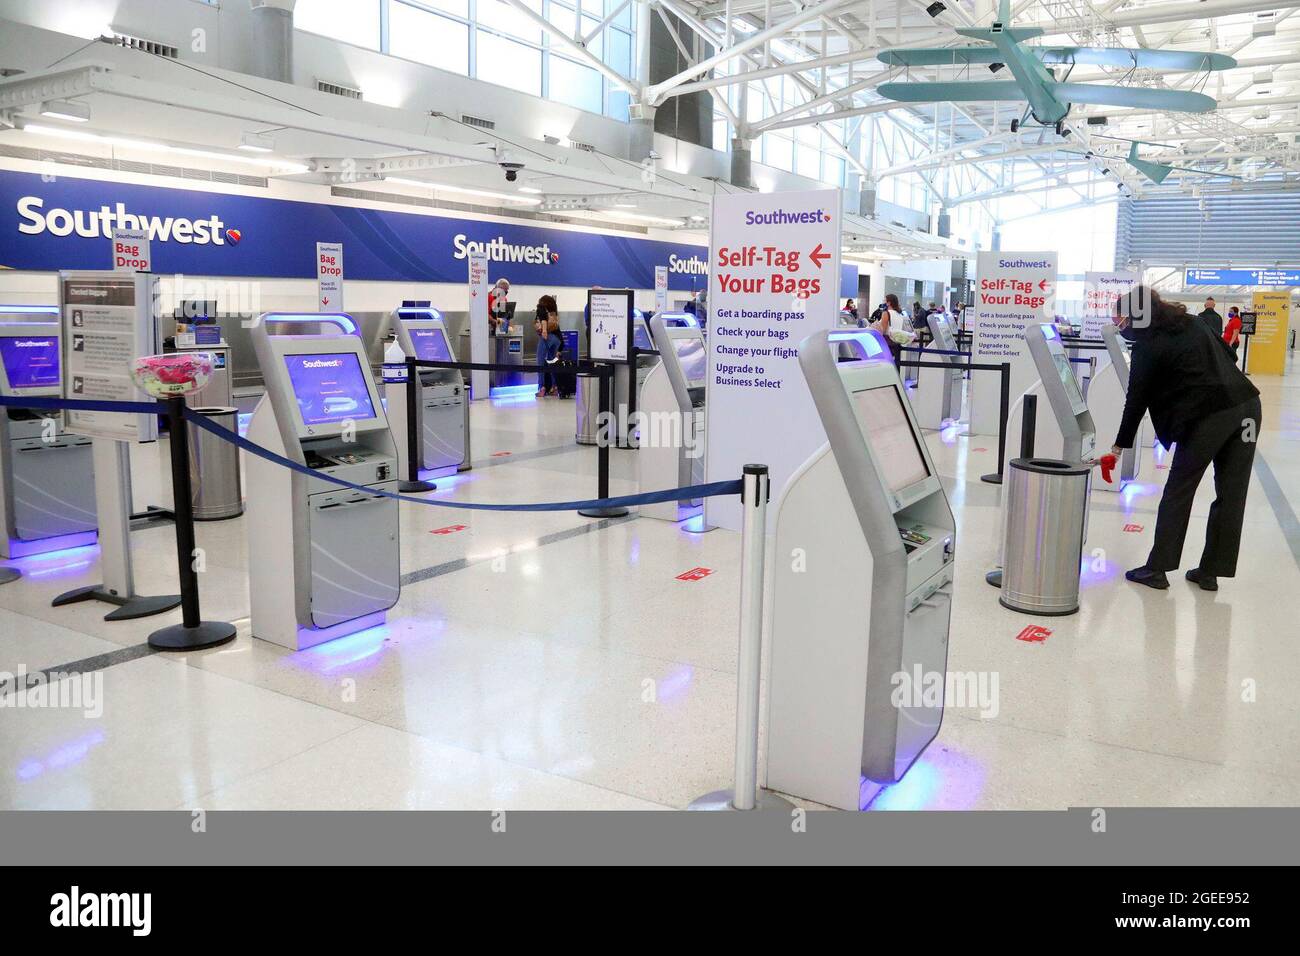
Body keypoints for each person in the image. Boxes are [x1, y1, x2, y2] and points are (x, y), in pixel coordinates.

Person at [1109, 286, 1261, 592]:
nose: (1120, 325)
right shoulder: (1191, 321)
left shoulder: (1147, 345)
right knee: (1232, 494)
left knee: (1179, 488)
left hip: (1210, 417)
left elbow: (1135, 400)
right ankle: (1209, 572)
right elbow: (1230, 354)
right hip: (1247, 408)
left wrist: (1118, 446)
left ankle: (1157, 569)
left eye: (1121, 318)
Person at [534, 295, 564, 396]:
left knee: (540, 361)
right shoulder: (553, 311)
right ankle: (555, 387)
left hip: (548, 337)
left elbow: (543, 320)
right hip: (557, 339)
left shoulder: (540, 308)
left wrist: (544, 332)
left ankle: (542, 387)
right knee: (552, 362)